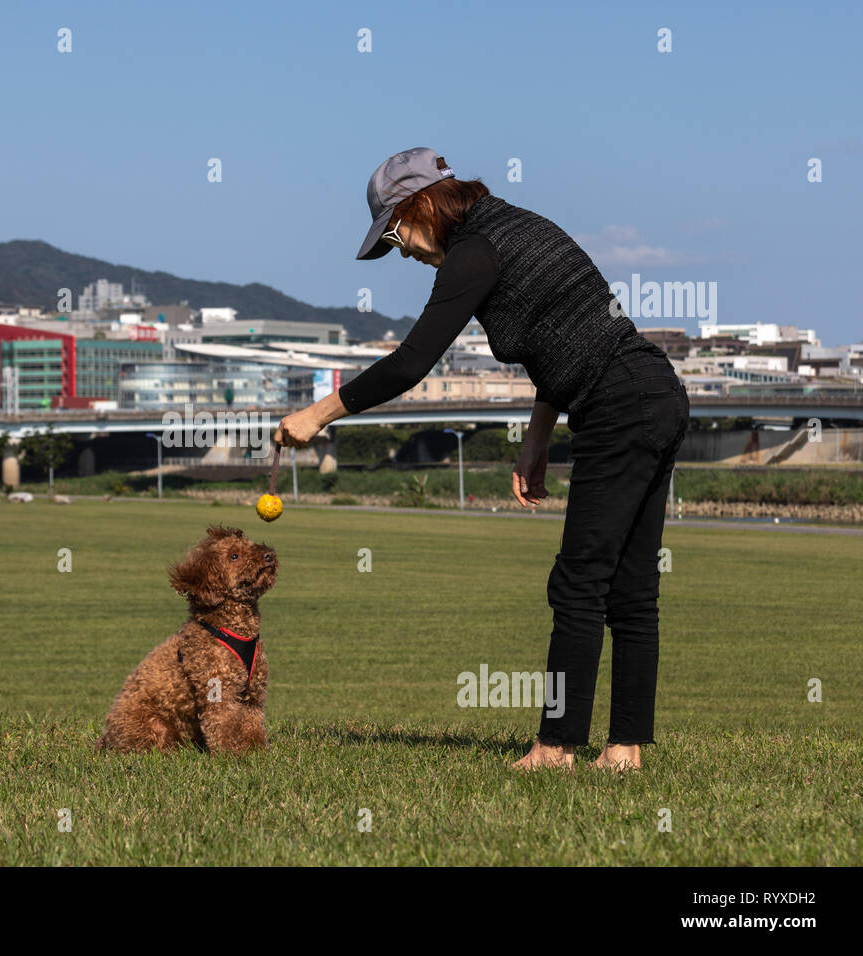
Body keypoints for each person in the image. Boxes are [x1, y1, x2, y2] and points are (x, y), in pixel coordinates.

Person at [273, 147, 689, 771]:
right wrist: (538, 438)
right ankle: (624, 749)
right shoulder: (523, 226)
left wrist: (316, 415)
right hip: (656, 392)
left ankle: (555, 749)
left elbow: (412, 363)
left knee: (578, 583)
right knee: (630, 587)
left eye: (395, 234)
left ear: (420, 206)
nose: (403, 251)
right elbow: (571, 339)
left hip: (619, 403)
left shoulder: (474, 250)